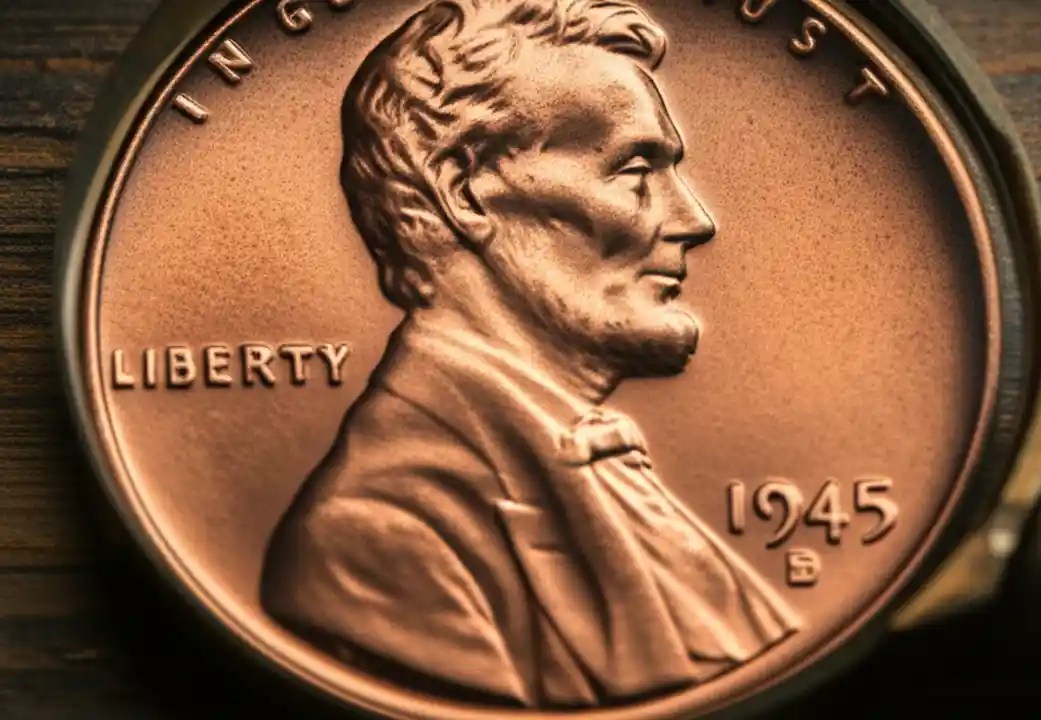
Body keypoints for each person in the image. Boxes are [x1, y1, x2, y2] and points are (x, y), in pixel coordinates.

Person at [260, 0, 800, 707]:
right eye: (636, 170)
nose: (694, 220)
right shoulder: (372, 538)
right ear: (463, 192)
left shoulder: (589, 465)